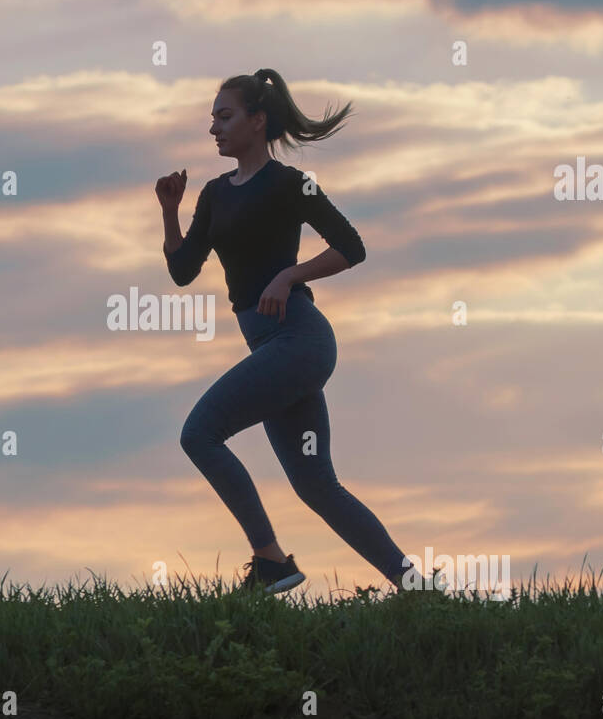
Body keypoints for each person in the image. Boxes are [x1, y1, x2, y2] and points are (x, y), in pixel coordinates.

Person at [156, 68, 432, 597]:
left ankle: (270, 559)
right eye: (212, 118)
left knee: (199, 434)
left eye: (225, 116)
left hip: (300, 342)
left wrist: (290, 274)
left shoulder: (288, 184)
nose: (214, 127)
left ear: (257, 122)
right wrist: (169, 212)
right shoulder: (214, 194)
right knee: (316, 485)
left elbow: (352, 246)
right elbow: (182, 270)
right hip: (270, 347)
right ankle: (418, 589)